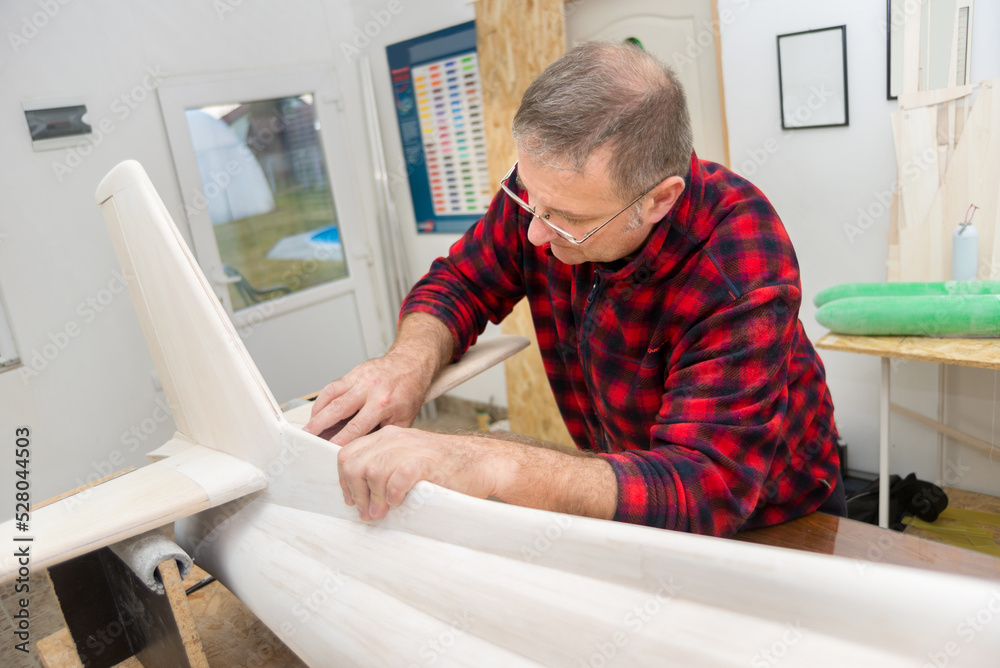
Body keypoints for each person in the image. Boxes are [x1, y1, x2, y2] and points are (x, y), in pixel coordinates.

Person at [305, 41, 844, 537]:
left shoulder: (739, 258)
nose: (536, 231)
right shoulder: (546, 196)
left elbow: (703, 487)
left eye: (566, 219)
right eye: (528, 198)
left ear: (658, 201)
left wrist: (490, 460)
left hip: (770, 513)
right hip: (629, 486)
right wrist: (408, 364)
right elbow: (461, 280)